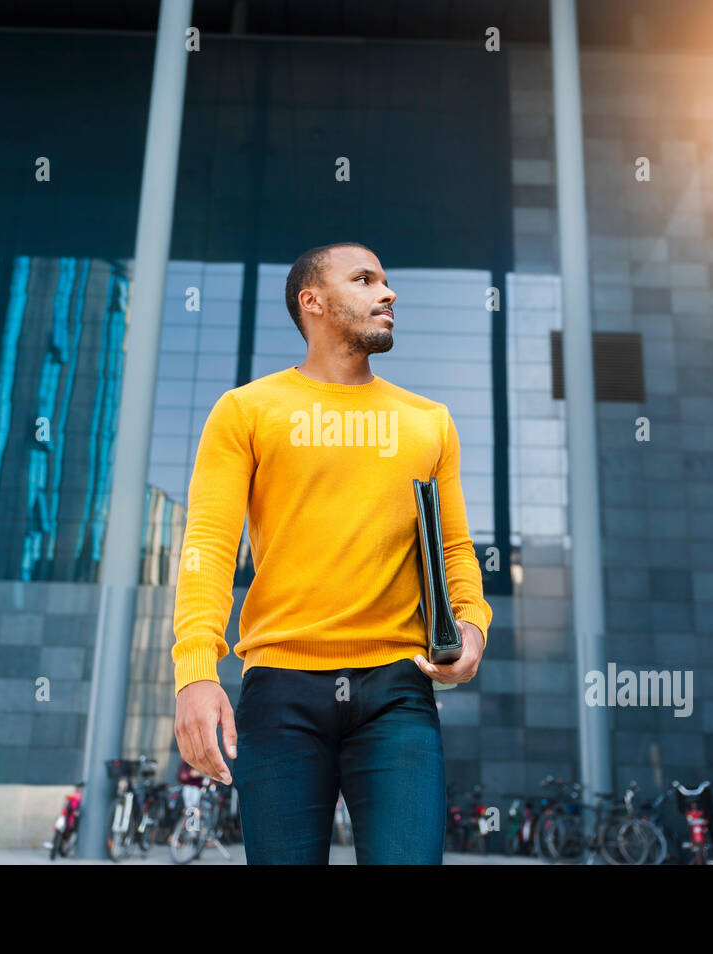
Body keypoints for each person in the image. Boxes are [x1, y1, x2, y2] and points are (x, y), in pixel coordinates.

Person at [171, 242, 491, 864]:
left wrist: (473, 627)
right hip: (279, 693)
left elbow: (454, 547)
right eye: (365, 279)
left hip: (398, 694)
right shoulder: (245, 411)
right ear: (311, 301)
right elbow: (209, 545)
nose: (388, 292)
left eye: (387, 281)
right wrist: (195, 672)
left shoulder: (431, 422)